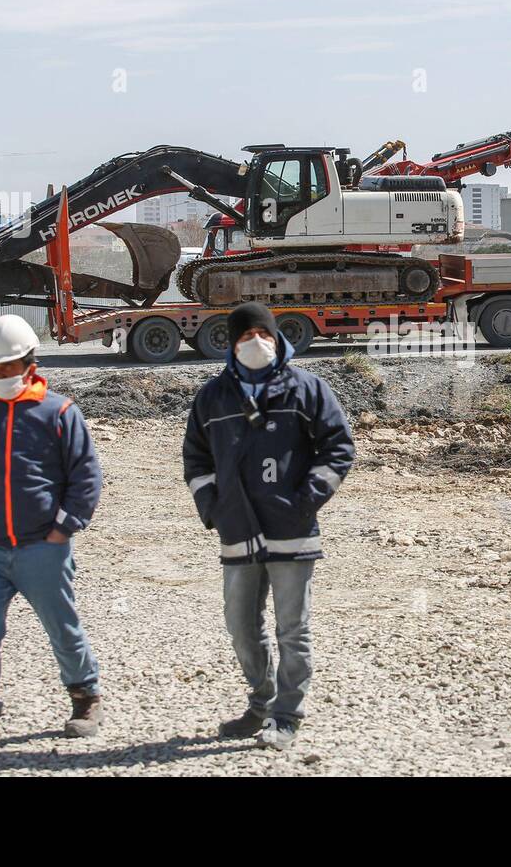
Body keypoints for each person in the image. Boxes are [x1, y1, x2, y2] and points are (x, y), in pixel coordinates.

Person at [182, 303, 354, 751]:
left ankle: (286, 715)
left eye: (264, 332)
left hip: (292, 531)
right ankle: (261, 701)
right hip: (237, 531)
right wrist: (213, 510)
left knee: (292, 629)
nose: (255, 341)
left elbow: (338, 449)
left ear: (277, 339)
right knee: (240, 625)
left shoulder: (308, 389)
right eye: (245, 335)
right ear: (230, 344)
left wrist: (305, 502)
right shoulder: (211, 397)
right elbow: (196, 460)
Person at [0, 314, 104, 751]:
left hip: (42, 548)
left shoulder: (59, 412)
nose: (0, 376)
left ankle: (85, 699)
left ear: (30, 364)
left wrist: (64, 528)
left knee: (62, 626)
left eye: (7, 367)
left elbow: (85, 476)